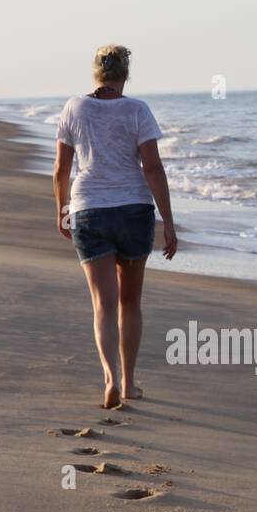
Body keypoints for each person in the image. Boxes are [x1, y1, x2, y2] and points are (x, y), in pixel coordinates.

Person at [53, 45, 177, 409]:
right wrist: (168, 221)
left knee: (103, 304)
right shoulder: (137, 110)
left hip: (90, 209)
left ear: (96, 74)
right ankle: (130, 384)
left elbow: (61, 169)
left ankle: (110, 378)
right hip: (134, 210)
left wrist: (62, 211)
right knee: (130, 302)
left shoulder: (74, 108)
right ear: (125, 75)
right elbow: (152, 168)